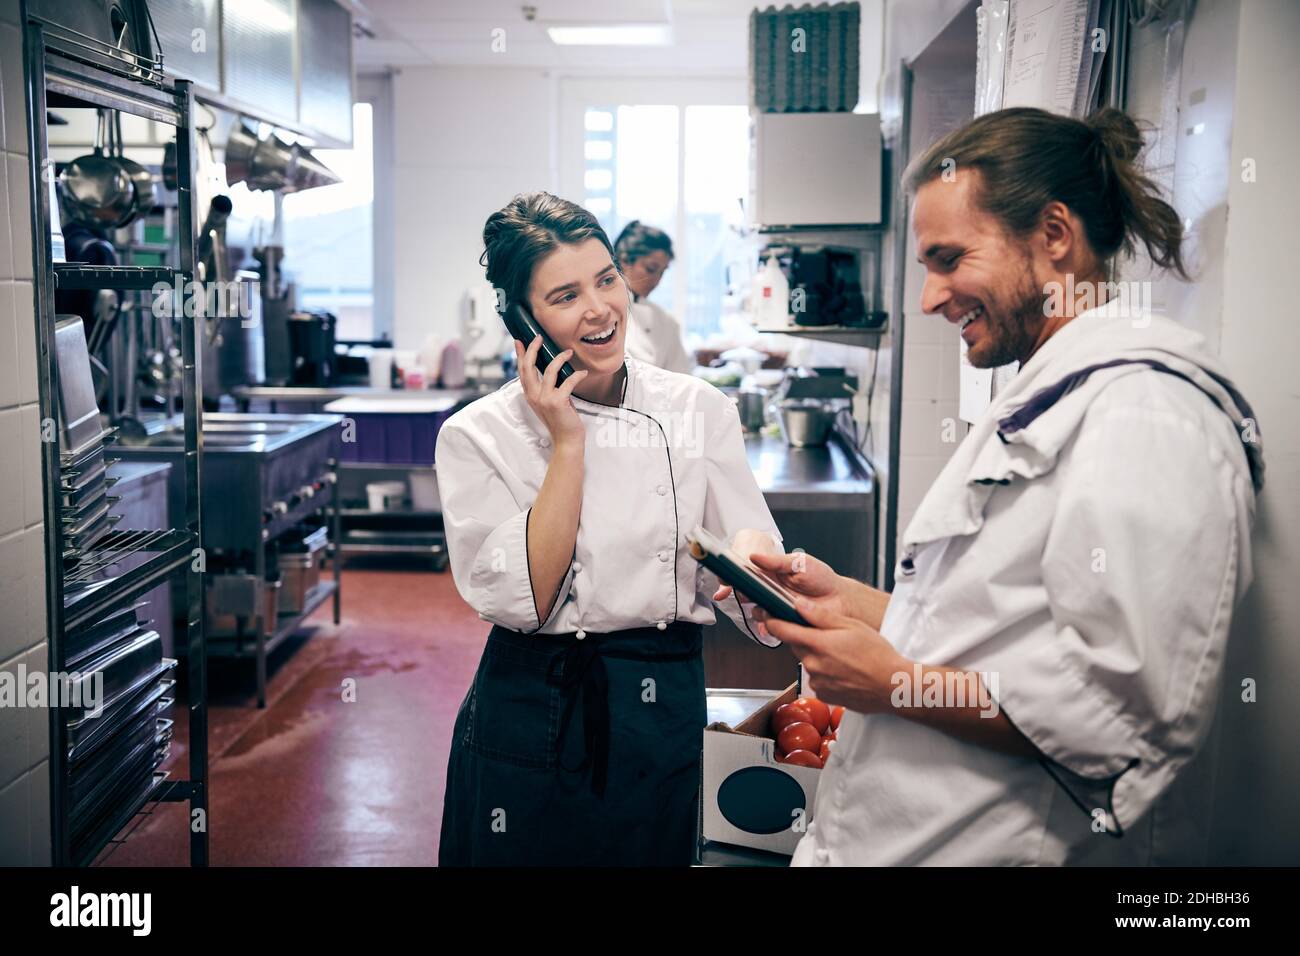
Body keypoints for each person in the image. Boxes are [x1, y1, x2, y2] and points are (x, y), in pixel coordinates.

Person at [733, 107, 1264, 865]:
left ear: (1054, 235)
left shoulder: (1146, 416)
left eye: (949, 258)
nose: (928, 297)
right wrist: (843, 599)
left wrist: (900, 685)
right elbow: (995, 632)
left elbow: (1127, 718)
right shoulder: (1050, 392)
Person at [436, 192, 783, 866]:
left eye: (606, 280)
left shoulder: (695, 408)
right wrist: (567, 441)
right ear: (523, 322)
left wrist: (757, 572)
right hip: (531, 705)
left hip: (660, 706)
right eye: (565, 295)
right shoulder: (476, 435)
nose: (599, 307)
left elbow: (746, 547)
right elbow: (529, 597)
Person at [613, 221, 695, 374]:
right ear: (624, 260)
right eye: (651, 269)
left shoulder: (667, 323)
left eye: (662, 272)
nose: (657, 279)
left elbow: (681, 378)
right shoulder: (603, 311)